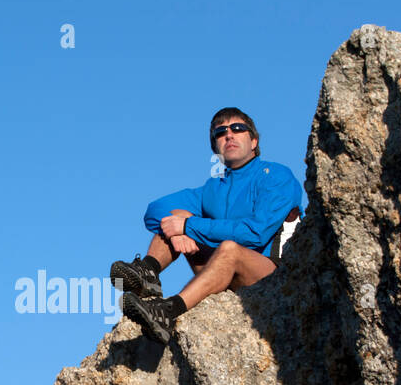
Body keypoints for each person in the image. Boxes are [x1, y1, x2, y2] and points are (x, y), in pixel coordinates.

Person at [111, 107, 307, 345]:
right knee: (174, 217)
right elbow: (154, 211)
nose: (229, 135)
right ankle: (148, 273)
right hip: (223, 277)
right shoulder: (213, 188)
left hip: (273, 279)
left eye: (237, 128)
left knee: (223, 245)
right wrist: (180, 231)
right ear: (215, 148)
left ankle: (168, 312)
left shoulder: (275, 176)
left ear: (254, 141)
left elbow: (255, 233)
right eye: (220, 132)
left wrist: (190, 226)